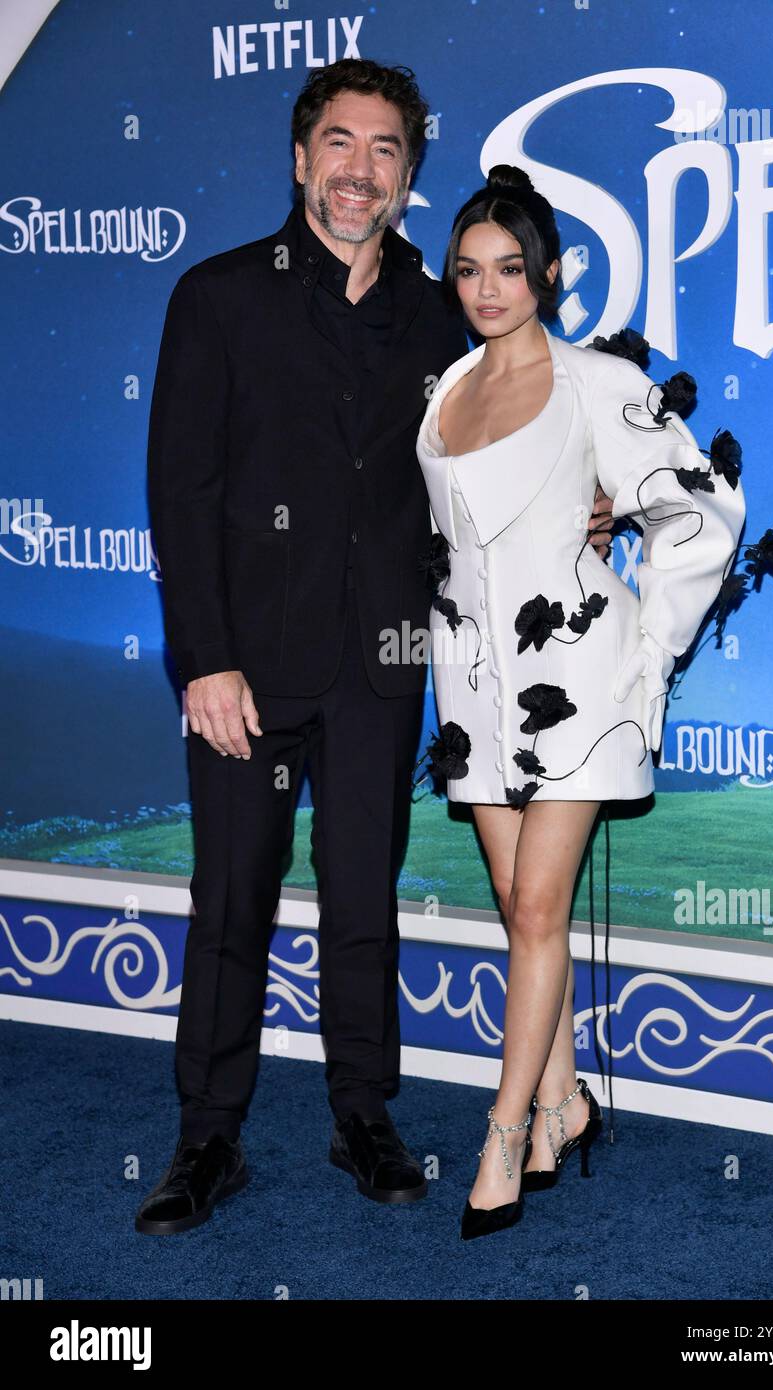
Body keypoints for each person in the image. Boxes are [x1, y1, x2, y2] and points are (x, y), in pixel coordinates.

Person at [139, 60, 617, 1234]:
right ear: (301, 159)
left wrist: (586, 503)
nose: (360, 170)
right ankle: (207, 1138)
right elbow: (180, 490)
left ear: (409, 173)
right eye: (340, 145)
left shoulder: (437, 310)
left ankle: (365, 1114)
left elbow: (512, 430)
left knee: (362, 900)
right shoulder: (218, 298)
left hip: (383, 663)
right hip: (243, 670)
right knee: (231, 901)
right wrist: (202, 657)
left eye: (387, 149)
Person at [415, 164, 747, 1240]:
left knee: (541, 910)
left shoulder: (596, 381)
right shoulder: (444, 393)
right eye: (467, 270)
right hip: (471, 686)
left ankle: (502, 1133)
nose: (486, 288)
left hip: (581, 683)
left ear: (547, 272)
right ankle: (564, 1100)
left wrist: (647, 660)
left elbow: (700, 514)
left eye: (508, 268)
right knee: (519, 913)